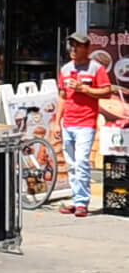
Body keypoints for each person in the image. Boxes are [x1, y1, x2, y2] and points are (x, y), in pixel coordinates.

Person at [50, 30, 110, 216]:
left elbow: (106, 91)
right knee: (71, 164)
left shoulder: (96, 68)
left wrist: (84, 89)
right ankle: (77, 199)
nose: (73, 49)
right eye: (72, 45)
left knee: (82, 161)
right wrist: (56, 122)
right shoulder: (66, 69)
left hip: (86, 122)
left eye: (78, 45)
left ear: (87, 48)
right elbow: (62, 96)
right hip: (68, 122)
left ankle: (82, 202)